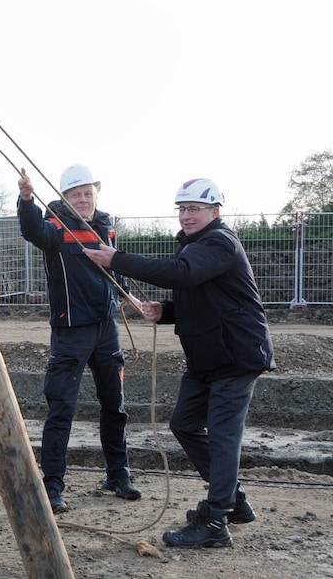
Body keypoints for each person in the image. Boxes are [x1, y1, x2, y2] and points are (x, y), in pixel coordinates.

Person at [83, 178, 274, 548]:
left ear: (214, 212)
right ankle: (233, 501)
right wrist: (166, 311)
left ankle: (216, 522)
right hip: (208, 357)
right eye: (183, 209)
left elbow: (182, 273)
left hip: (236, 356)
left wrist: (116, 259)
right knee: (184, 424)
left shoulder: (219, 241)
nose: (186, 216)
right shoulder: (197, 245)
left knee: (222, 438)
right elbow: (200, 292)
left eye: (194, 209)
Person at [17, 164, 141, 513]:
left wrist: (125, 294)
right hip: (70, 331)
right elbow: (30, 229)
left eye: (88, 193)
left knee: (114, 407)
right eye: (76, 195)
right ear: (65, 199)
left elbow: (111, 267)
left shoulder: (105, 226)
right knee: (62, 410)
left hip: (106, 330)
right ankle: (52, 486)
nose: (84, 199)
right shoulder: (54, 227)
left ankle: (118, 474)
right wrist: (26, 198)